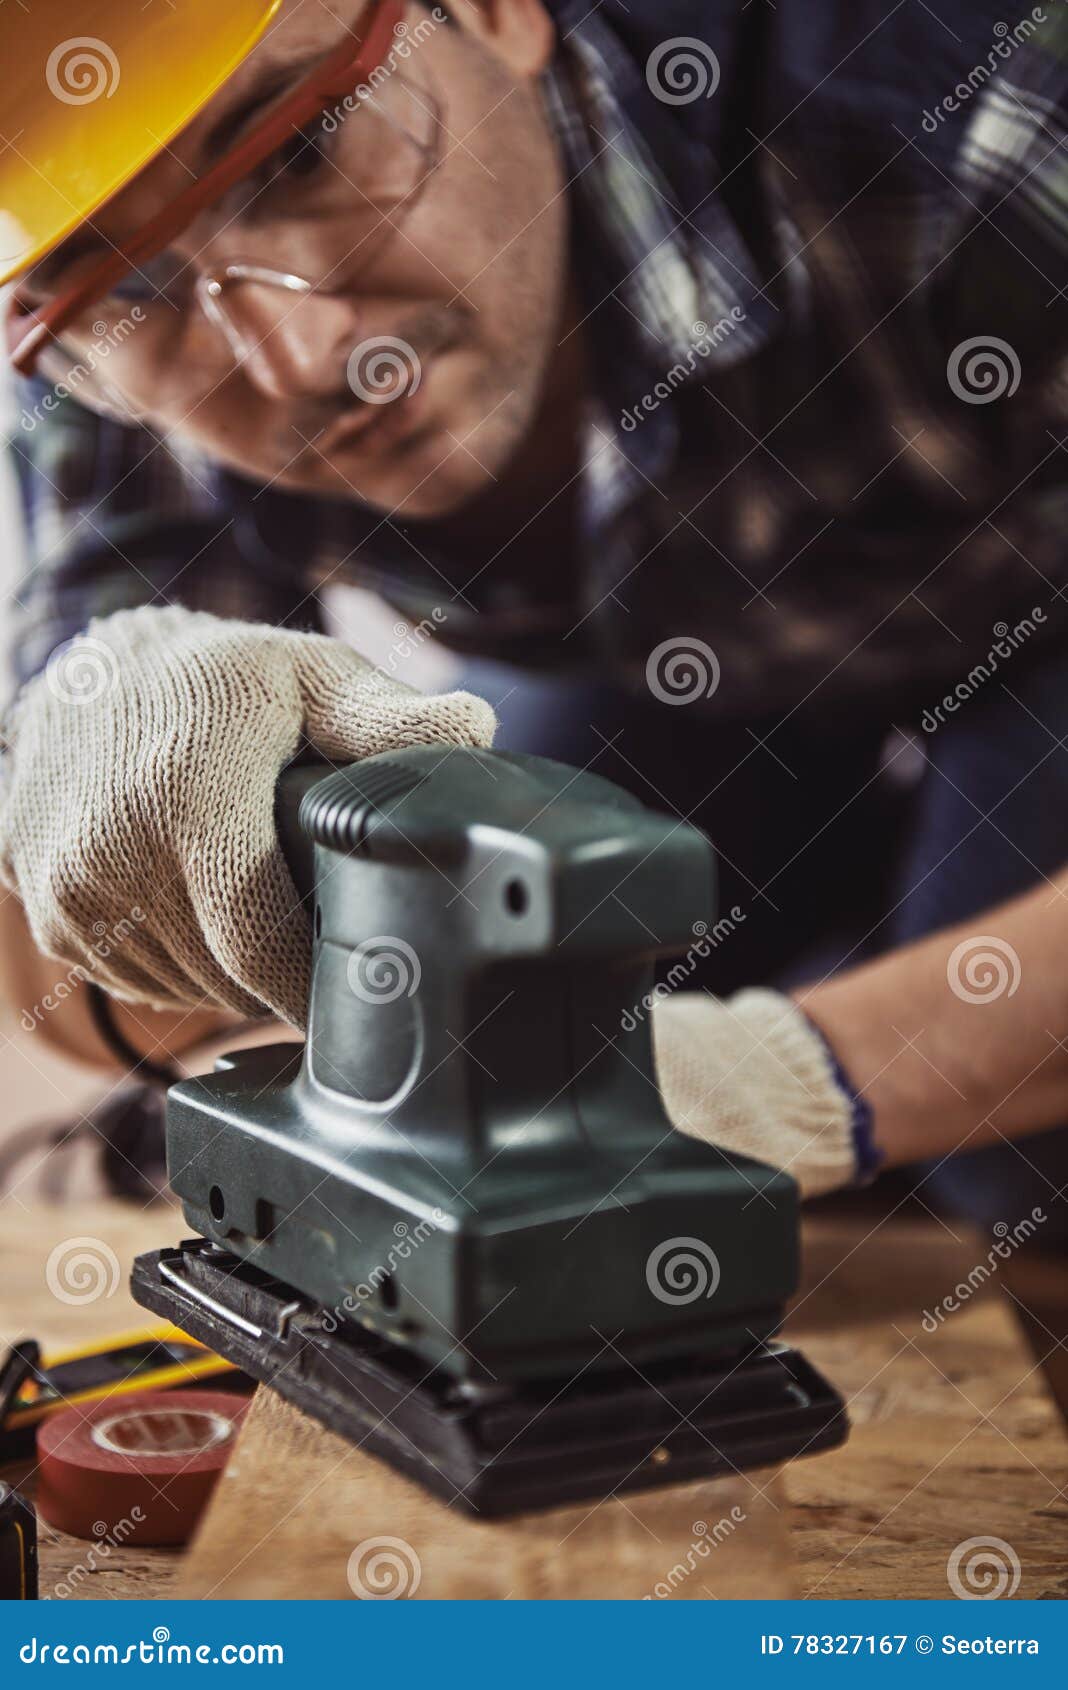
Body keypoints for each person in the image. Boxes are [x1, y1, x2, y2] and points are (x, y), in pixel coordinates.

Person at [1, 0, 1067, 1236]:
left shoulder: (972, 108)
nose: (296, 356)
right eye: (128, 287)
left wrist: (805, 1080)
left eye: (304, 148)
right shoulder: (105, 373)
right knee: (524, 979)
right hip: (711, 652)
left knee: (1008, 1163)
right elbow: (55, 973)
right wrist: (118, 811)